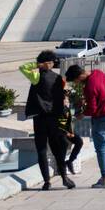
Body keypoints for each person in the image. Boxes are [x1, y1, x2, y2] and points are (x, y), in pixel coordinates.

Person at [19, 50, 76, 190]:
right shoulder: (58, 78)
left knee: (41, 150)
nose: (51, 64)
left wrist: (37, 65)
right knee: (57, 150)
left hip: (39, 118)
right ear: (49, 63)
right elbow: (63, 99)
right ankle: (64, 177)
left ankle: (47, 182)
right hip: (54, 119)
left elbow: (22, 67)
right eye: (51, 62)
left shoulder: (36, 76)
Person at [65, 63, 105, 187]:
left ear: (79, 76)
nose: (77, 83)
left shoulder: (89, 86)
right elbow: (104, 92)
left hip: (101, 119)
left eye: (76, 81)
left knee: (101, 148)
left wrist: (82, 115)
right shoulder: (99, 73)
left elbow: (93, 109)